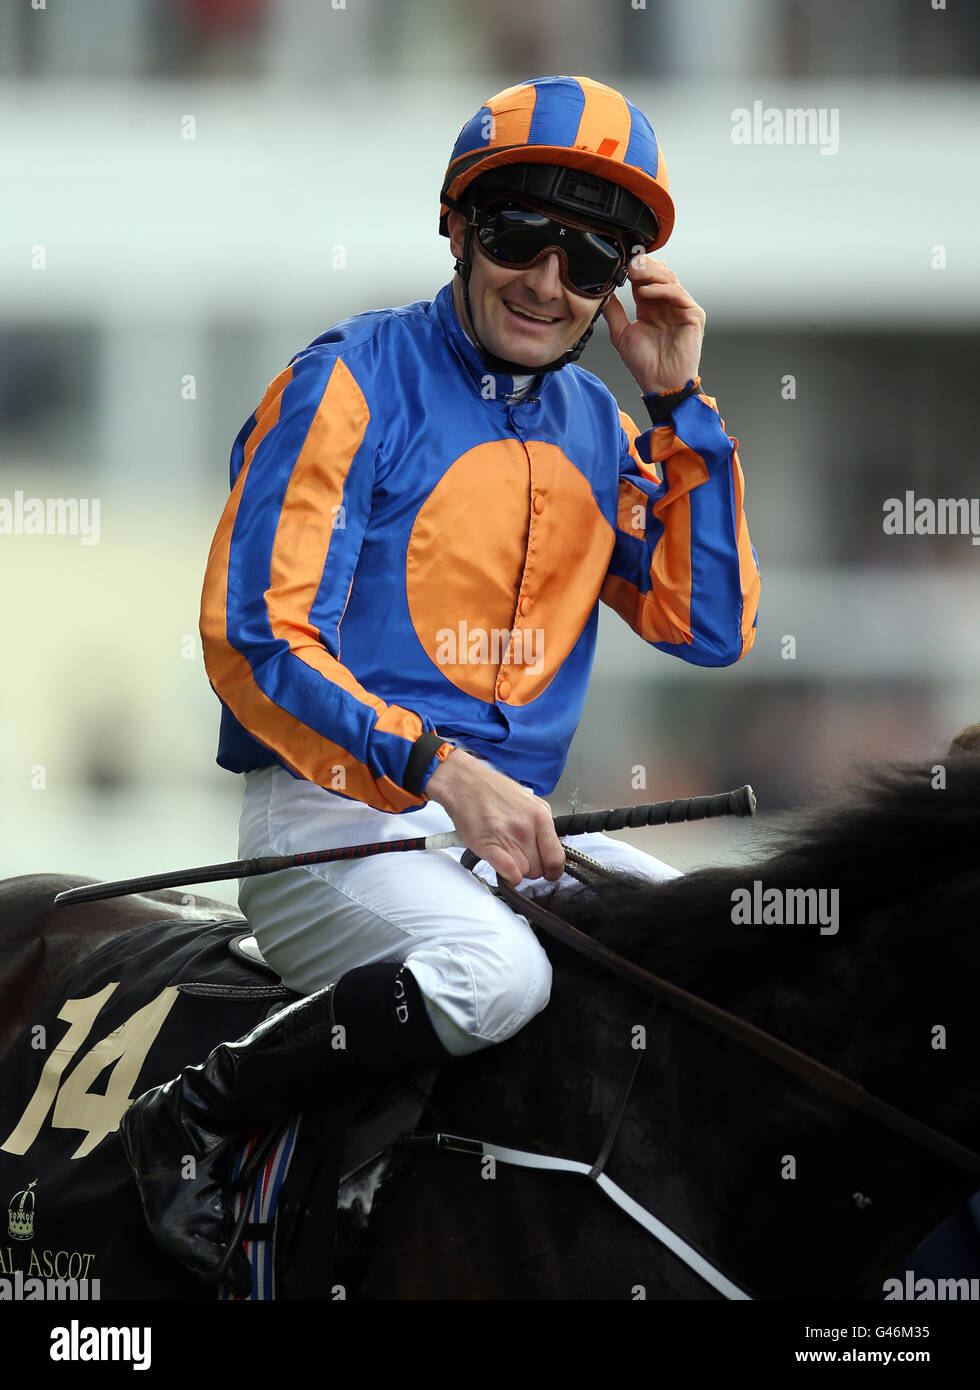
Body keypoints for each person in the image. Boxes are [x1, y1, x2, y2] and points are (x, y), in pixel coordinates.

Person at [120, 74, 761, 1293]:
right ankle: (193, 1113)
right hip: (326, 825)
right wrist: (439, 769)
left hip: (496, 834)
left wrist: (675, 400)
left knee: (711, 946)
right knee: (497, 975)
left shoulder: (595, 422)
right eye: (519, 236)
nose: (545, 281)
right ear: (458, 228)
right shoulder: (349, 381)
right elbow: (255, 640)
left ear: (617, 283)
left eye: (588, 261)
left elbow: (707, 621)